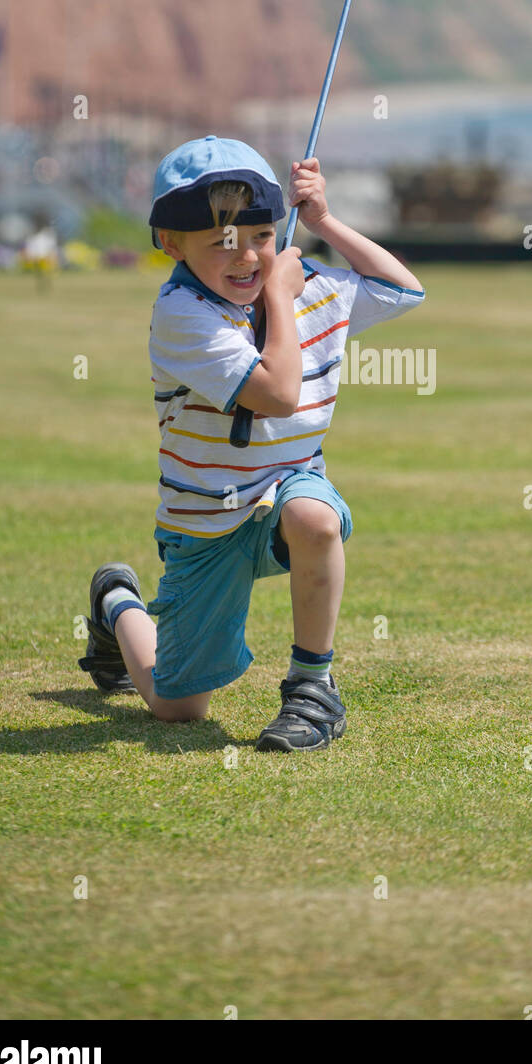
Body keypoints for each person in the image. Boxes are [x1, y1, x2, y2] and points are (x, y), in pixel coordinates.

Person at [77, 135, 425, 751]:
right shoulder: (183, 313)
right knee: (178, 708)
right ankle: (118, 603)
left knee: (315, 517)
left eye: (263, 236)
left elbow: (403, 290)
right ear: (171, 244)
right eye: (221, 243)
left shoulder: (294, 283)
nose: (247, 258)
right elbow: (280, 393)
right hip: (203, 521)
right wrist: (281, 298)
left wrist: (324, 222)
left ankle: (312, 689)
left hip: (283, 496)